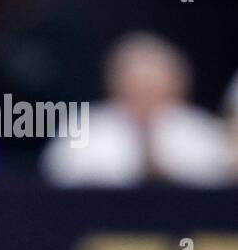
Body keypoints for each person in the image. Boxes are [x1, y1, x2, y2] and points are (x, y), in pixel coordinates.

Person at [41, 32, 234, 187]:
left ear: (177, 88)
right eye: (137, 86)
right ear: (116, 86)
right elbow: (56, 175)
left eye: (154, 88)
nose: (145, 96)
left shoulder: (198, 129)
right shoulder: (87, 125)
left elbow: (221, 179)